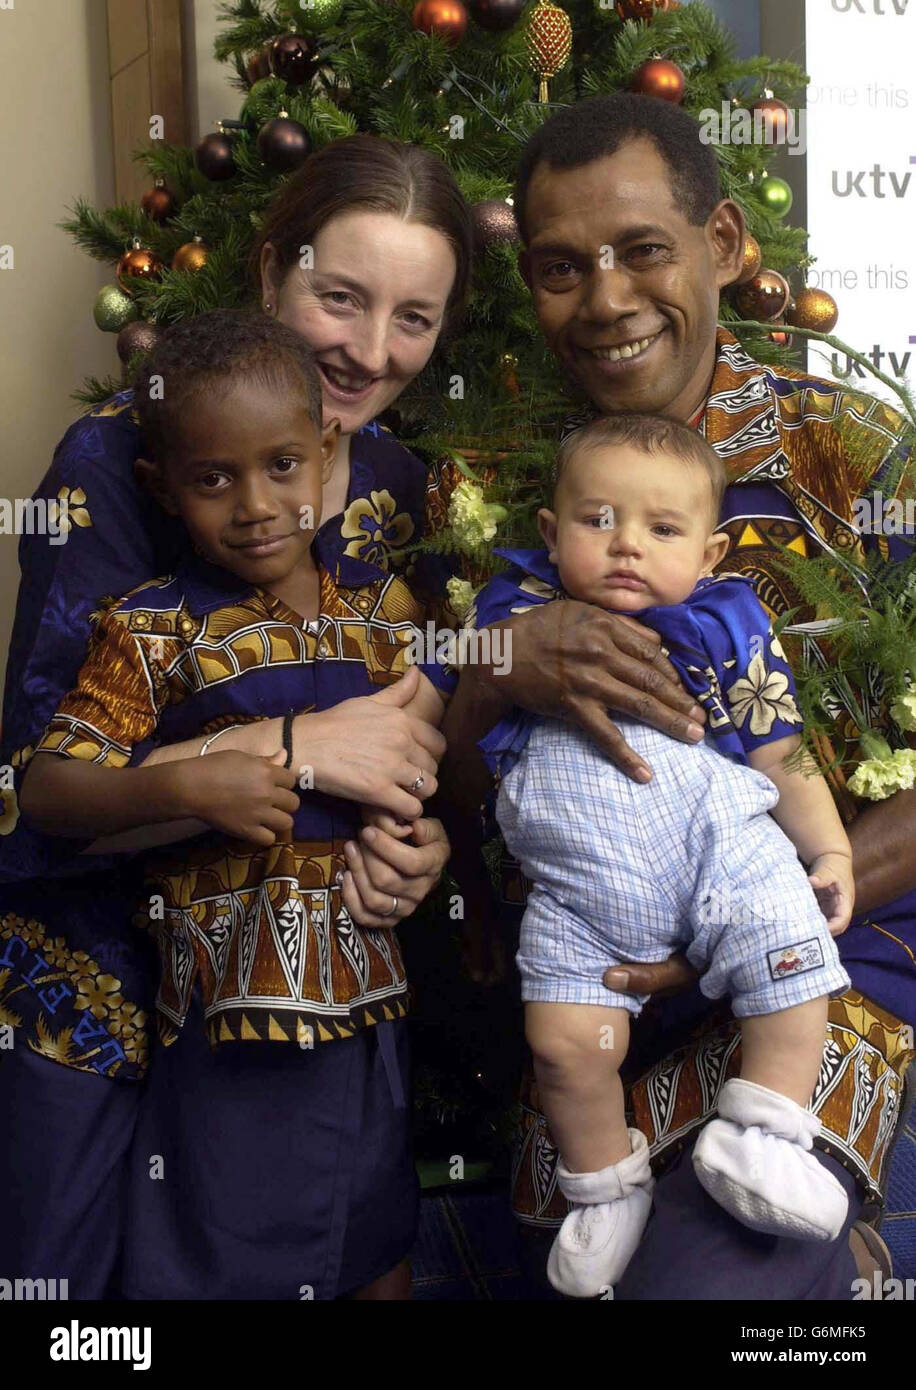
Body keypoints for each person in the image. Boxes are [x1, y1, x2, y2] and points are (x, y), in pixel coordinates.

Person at [442, 93, 915, 1300]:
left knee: (708, 1286)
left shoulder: (852, 451)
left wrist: (757, 909)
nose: (603, 299)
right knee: (579, 1264)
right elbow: (437, 781)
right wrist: (506, 665)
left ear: (719, 247)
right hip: (586, 974)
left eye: (642, 249)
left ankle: (837, 1256)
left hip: (824, 956)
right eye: (559, 267)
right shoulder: (497, 487)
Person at [0, 135, 487, 1299]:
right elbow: (34, 787)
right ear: (274, 271)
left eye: (414, 320)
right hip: (102, 940)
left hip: (308, 959)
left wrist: (410, 842)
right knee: (74, 1272)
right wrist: (277, 750)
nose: (371, 351)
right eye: (340, 298)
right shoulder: (117, 456)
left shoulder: (399, 485)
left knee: (340, 1233)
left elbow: (412, 737)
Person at [467, 412, 855, 1298]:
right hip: (573, 891)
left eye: (663, 529)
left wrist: (828, 846)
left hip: (723, 850)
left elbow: (775, 744)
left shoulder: (726, 623)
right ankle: (605, 1185)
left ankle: (766, 1131)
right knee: (564, 1046)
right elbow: (449, 686)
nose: (626, 546)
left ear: (711, 554)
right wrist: (500, 657)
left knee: (795, 971)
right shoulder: (517, 612)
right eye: (598, 520)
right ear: (550, 532)